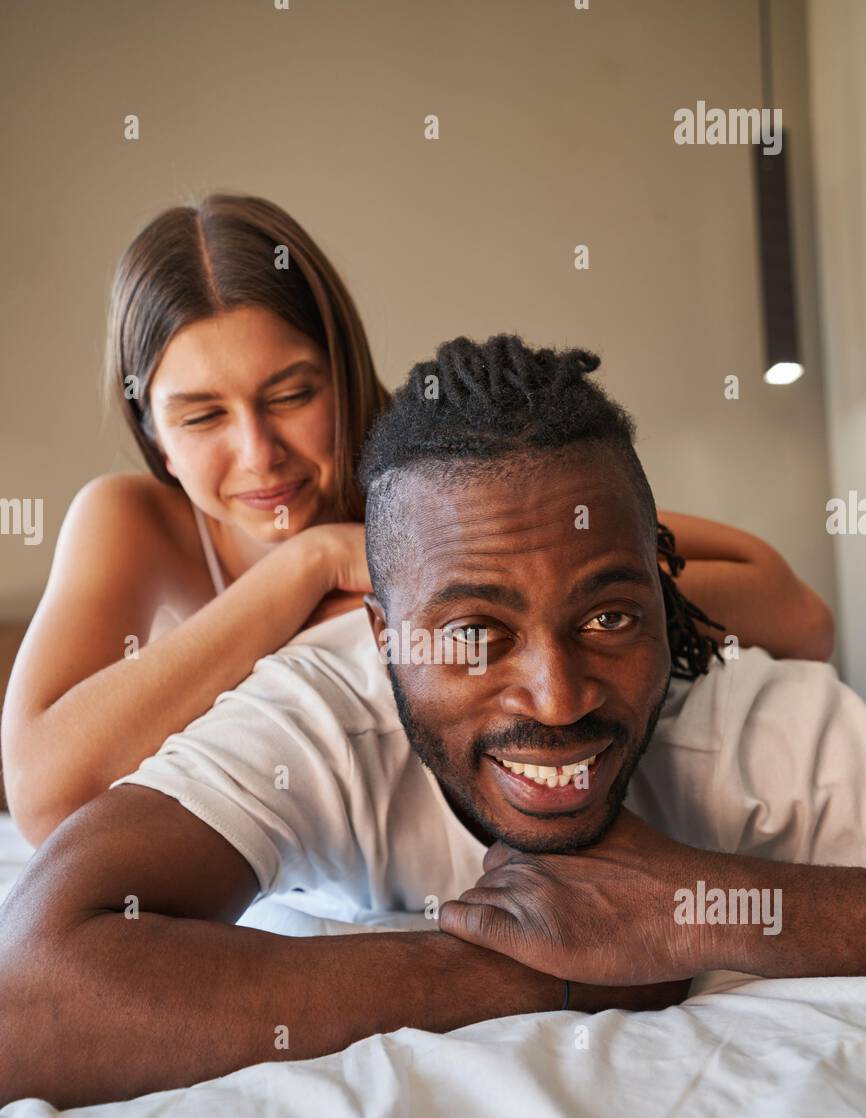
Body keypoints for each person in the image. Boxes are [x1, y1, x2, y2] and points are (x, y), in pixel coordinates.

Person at [2, 334, 861, 1113]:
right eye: (473, 635)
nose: (558, 701)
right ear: (384, 637)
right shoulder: (318, 708)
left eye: (607, 618)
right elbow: (29, 993)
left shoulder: (756, 723)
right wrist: (536, 971)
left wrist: (697, 911)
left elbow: (794, 610)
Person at [0, 196, 833, 848]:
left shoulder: (434, 485)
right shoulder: (130, 518)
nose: (259, 454)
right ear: (151, 430)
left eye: (292, 395)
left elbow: (800, 615)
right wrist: (312, 566)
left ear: (347, 374)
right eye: (202, 417)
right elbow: (42, 798)